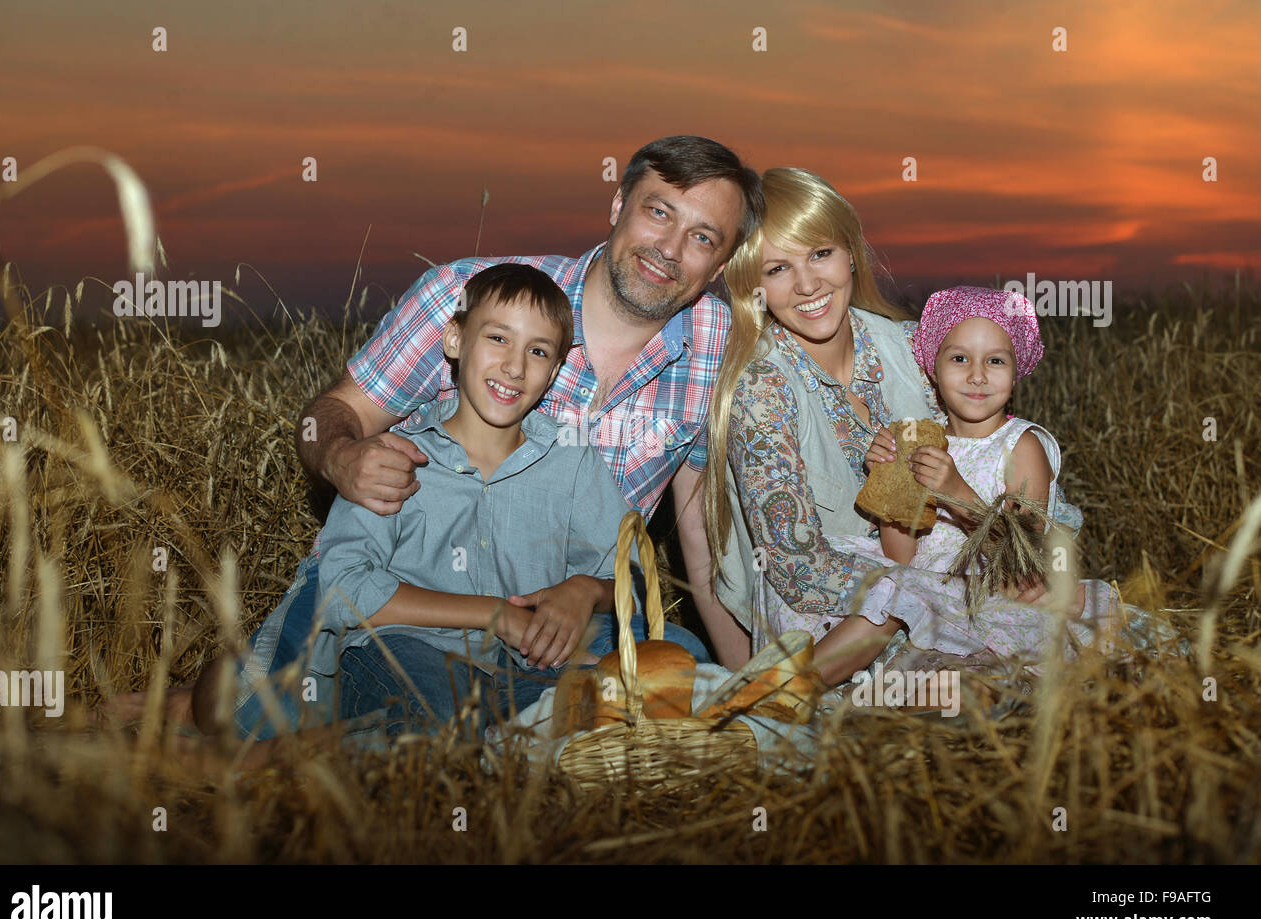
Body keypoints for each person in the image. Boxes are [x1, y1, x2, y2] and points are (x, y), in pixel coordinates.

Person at [145, 135, 763, 738]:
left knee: (678, 664)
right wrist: (341, 456)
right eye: (658, 212)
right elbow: (330, 415)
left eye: (702, 237)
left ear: (722, 263)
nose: (670, 248)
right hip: (416, 600)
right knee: (244, 717)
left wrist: (753, 690)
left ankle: (486, 726)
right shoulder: (473, 297)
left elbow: (698, 543)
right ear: (617, 206)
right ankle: (234, 708)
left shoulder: (719, 351)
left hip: (561, 618)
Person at [288, 263, 705, 742]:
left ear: (553, 373)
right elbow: (343, 588)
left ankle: (522, 742)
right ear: (454, 341)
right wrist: (493, 614)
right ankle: (319, 752)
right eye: (498, 339)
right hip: (414, 649)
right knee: (432, 717)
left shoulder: (570, 459)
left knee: (679, 654)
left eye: (537, 351)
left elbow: (629, 575)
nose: (514, 366)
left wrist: (583, 592)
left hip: (532, 661)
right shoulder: (394, 456)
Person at [702, 168, 1084, 684]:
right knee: (988, 682)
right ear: (751, 285)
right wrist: (932, 594)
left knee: (1074, 634)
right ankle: (788, 699)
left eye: (821, 253)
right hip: (830, 618)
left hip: (947, 574)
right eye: (777, 268)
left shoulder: (911, 347)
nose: (808, 283)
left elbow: (1004, 479)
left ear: (850, 253)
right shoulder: (760, 387)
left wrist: (1033, 569)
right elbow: (793, 566)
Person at [806, 286, 1176, 684]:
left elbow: (1025, 559)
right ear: (934, 367)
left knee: (948, 672)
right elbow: (902, 560)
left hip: (1000, 600)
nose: (977, 374)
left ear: (1017, 371)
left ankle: (790, 692)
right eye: (960, 358)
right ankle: (786, 692)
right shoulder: (925, 441)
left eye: (995, 361)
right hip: (928, 600)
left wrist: (958, 493)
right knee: (895, 599)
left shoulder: (1022, 446)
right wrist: (892, 487)